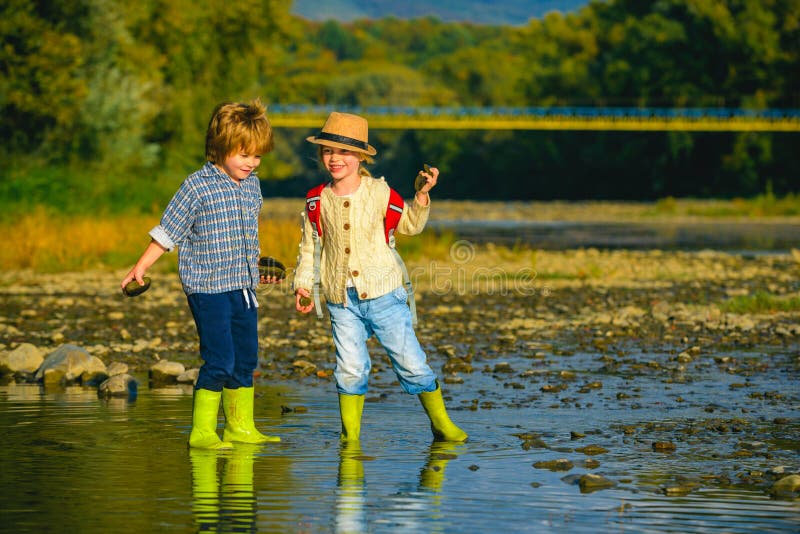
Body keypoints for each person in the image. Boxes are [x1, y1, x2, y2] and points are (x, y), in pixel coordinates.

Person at [293, 111, 467, 443]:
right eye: (328, 151)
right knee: (350, 368)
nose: (335, 158)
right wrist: (303, 284)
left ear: (359, 156)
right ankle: (351, 436)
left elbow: (412, 226)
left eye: (343, 152)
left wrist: (421, 196)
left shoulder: (380, 193)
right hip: (340, 300)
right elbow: (309, 248)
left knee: (412, 363)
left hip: (385, 295)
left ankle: (442, 424)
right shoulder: (317, 200)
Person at [121, 99, 281, 449]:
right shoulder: (196, 186)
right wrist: (141, 267)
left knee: (246, 359)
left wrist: (259, 267)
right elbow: (168, 231)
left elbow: (247, 236)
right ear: (221, 146)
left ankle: (241, 428)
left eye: (257, 156)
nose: (251, 163)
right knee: (220, 358)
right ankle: (203, 432)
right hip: (207, 287)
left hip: (243, 286)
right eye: (243, 155)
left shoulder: (252, 185)